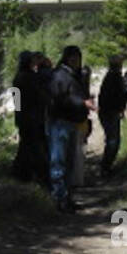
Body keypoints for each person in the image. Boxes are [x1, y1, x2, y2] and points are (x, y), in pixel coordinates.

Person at [46, 44, 95, 212]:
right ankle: (58, 199)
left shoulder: (73, 75)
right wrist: (81, 102)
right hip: (59, 122)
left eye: (78, 57)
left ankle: (66, 197)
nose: (76, 61)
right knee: (58, 162)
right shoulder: (58, 76)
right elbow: (59, 99)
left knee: (69, 162)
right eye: (73, 57)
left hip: (71, 122)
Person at [10, 51, 48, 187]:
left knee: (25, 145)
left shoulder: (17, 78)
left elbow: (17, 101)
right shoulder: (31, 78)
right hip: (33, 116)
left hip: (23, 116)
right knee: (34, 146)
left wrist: (19, 115)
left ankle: (21, 173)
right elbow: (40, 97)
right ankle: (34, 174)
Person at [98, 55, 127, 175]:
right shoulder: (114, 77)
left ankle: (106, 166)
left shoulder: (110, 76)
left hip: (108, 111)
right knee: (113, 140)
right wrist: (119, 108)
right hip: (110, 112)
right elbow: (116, 96)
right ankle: (105, 167)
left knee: (112, 140)